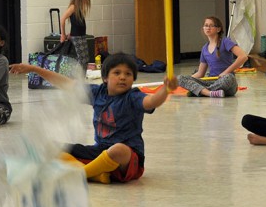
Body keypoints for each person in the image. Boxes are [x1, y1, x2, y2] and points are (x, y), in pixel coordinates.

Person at [10, 53, 177, 184]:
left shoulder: (133, 97)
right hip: (100, 152)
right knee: (52, 147)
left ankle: (82, 175)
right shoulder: (98, 93)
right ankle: (96, 174)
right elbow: (66, 84)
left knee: (119, 149)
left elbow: (150, 102)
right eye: (117, 73)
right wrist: (35, 69)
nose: (122, 77)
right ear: (105, 78)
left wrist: (165, 90)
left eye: (128, 74)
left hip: (127, 160)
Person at [178, 16, 248, 97]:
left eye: (211, 25)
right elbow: (200, 73)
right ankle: (209, 93)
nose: (208, 28)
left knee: (229, 78)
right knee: (179, 78)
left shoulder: (225, 41)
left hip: (226, 83)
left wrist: (226, 72)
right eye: (206, 25)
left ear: (218, 29)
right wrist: (187, 79)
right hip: (211, 81)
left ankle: (201, 91)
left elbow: (243, 56)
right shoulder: (204, 48)